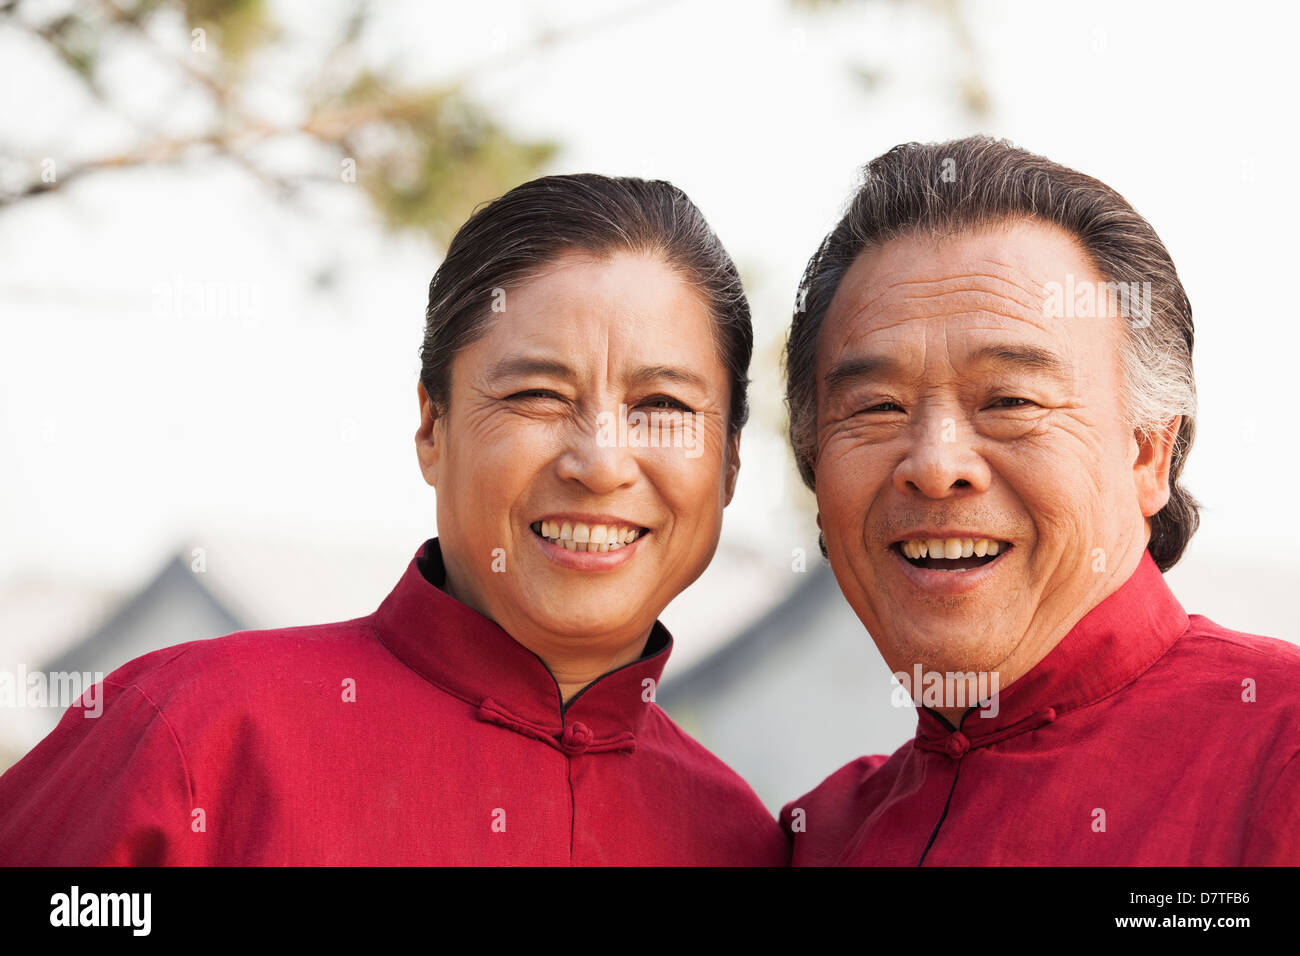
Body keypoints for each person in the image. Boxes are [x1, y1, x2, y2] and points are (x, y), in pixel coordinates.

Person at [0, 173, 788, 866]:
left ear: (728, 462)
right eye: (537, 395)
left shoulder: (738, 839)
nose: (601, 462)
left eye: (662, 406)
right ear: (432, 428)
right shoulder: (195, 735)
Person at [779, 136, 1299, 865]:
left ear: (1148, 452)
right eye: (877, 407)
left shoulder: (1280, 754)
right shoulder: (819, 838)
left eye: (1011, 399)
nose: (934, 465)